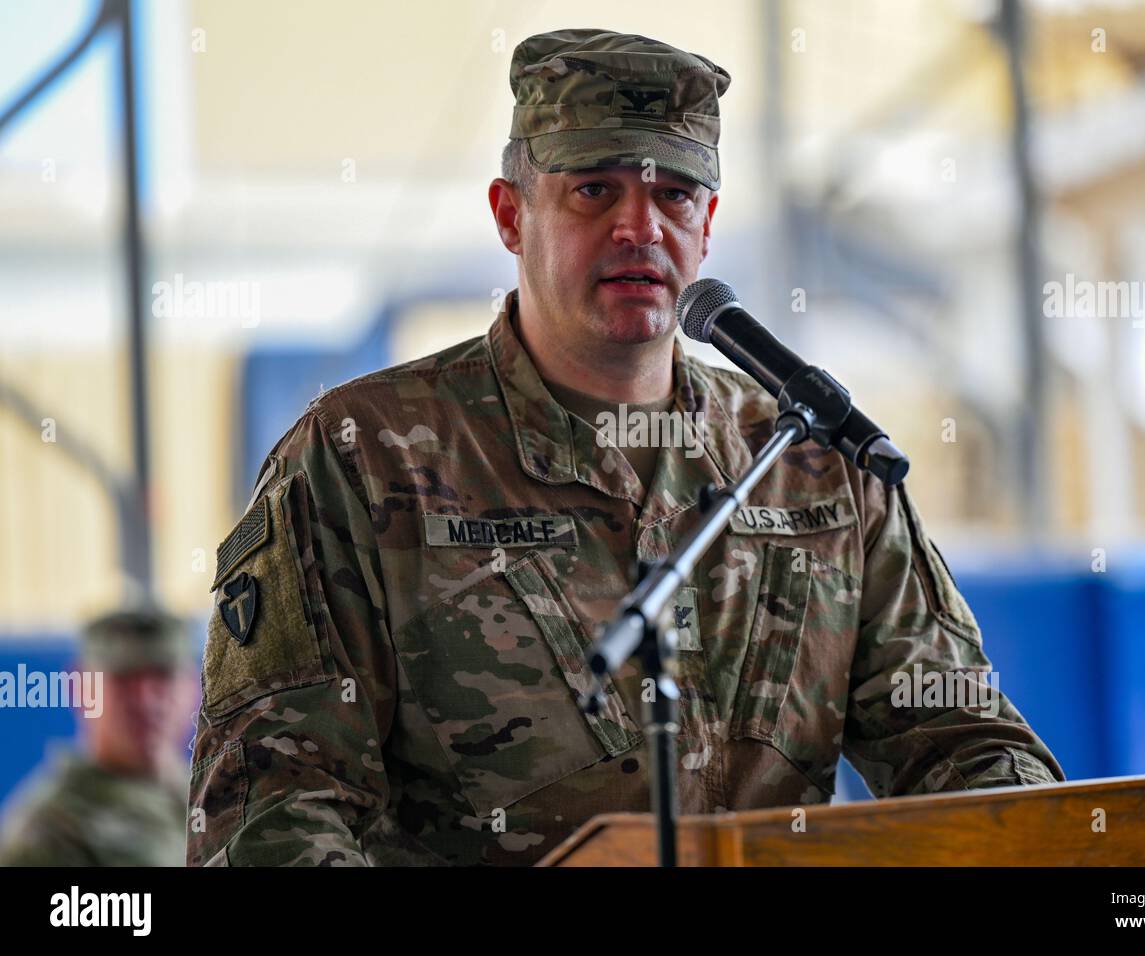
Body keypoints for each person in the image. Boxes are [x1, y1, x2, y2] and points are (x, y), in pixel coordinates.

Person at [188, 28, 1064, 867]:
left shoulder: (812, 461)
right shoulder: (363, 457)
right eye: (594, 190)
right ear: (510, 215)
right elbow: (271, 816)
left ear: (708, 223)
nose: (639, 227)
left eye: (674, 195)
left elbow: (960, 742)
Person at [0, 607, 195, 866]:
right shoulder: (55, 830)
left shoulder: (212, 792)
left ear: (193, 685)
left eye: (163, 676)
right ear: (81, 688)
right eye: (124, 680)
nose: (145, 700)